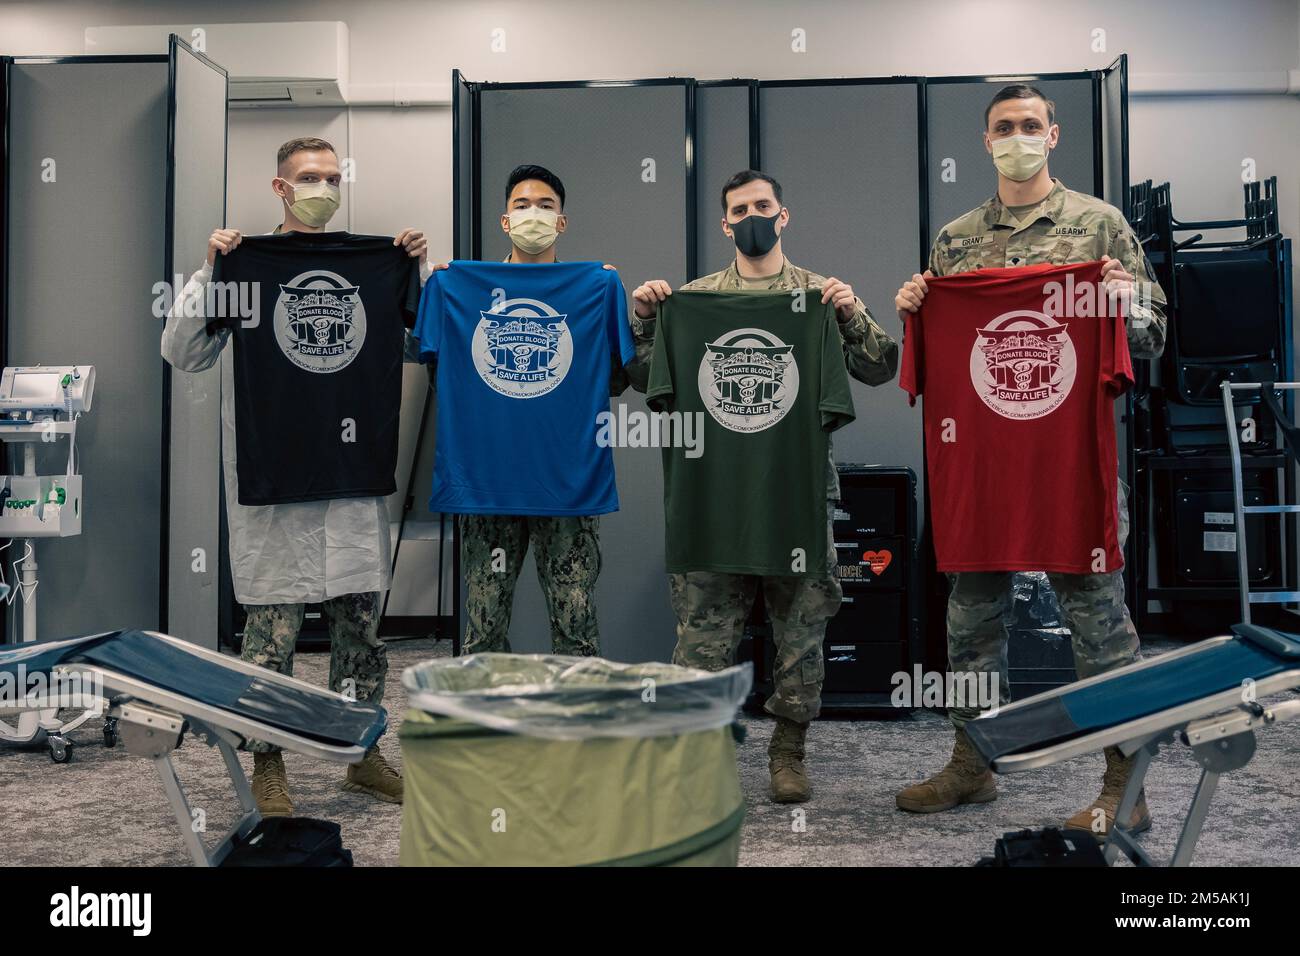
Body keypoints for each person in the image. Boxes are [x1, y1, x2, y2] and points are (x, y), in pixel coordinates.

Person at [892, 84, 1168, 836]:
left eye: (1029, 125)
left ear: (1053, 135)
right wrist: (918, 305)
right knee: (971, 622)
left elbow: (1152, 343)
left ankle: (1126, 782)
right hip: (982, 467)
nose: (1017, 136)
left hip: (1069, 463)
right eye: (1003, 127)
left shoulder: (1099, 225)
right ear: (986, 142)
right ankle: (972, 762)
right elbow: (939, 348)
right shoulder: (953, 239)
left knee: (1099, 625)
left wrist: (1123, 304)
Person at [161, 136, 430, 817]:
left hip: (352, 478)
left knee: (361, 636)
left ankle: (360, 755)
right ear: (279, 187)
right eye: (309, 177)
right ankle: (268, 766)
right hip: (273, 482)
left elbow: (421, 344)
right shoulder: (245, 265)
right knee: (269, 641)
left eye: (334, 177)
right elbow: (182, 352)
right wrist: (209, 268)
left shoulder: (376, 265)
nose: (323, 187)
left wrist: (415, 270)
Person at [630, 169, 899, 803]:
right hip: (712, 501)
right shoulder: (693, 300)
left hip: (795, 497)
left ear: (783, 215)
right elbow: (644, 380)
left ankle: (788, 751)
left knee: (801, 635)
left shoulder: (816, 295)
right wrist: (645, 319)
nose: (752, 215)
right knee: (701, 640)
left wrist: (853, 312)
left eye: (762, 205)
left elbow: (883, 367)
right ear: (725, 223)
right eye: (739, 208)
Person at [433, 164, 627, 656]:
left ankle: (577, 728)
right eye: (522, 205)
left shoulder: (599, 287)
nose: (533, 215)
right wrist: (437, 282)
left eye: (545, 206)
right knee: (483, 623)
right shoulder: (457, 288)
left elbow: (619, 377)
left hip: (567, 483)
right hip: (486, 483)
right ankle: (487, 728)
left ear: (562, 222)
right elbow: (437, 366)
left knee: (576, 620)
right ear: (504, 221)